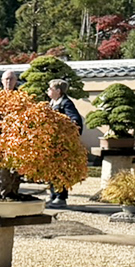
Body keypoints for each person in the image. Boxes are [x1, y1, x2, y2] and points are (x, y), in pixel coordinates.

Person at [47, 78, 83, 208]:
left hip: (62, 142)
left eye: (50, 88)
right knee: (51, 169)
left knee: (60, 170)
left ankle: (61, 197)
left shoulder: (66, 104)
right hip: (52, 141)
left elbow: (75, 120)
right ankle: (53, 195)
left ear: (58, 91)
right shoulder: (51, 103)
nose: (48, 91)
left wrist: (65, 128)